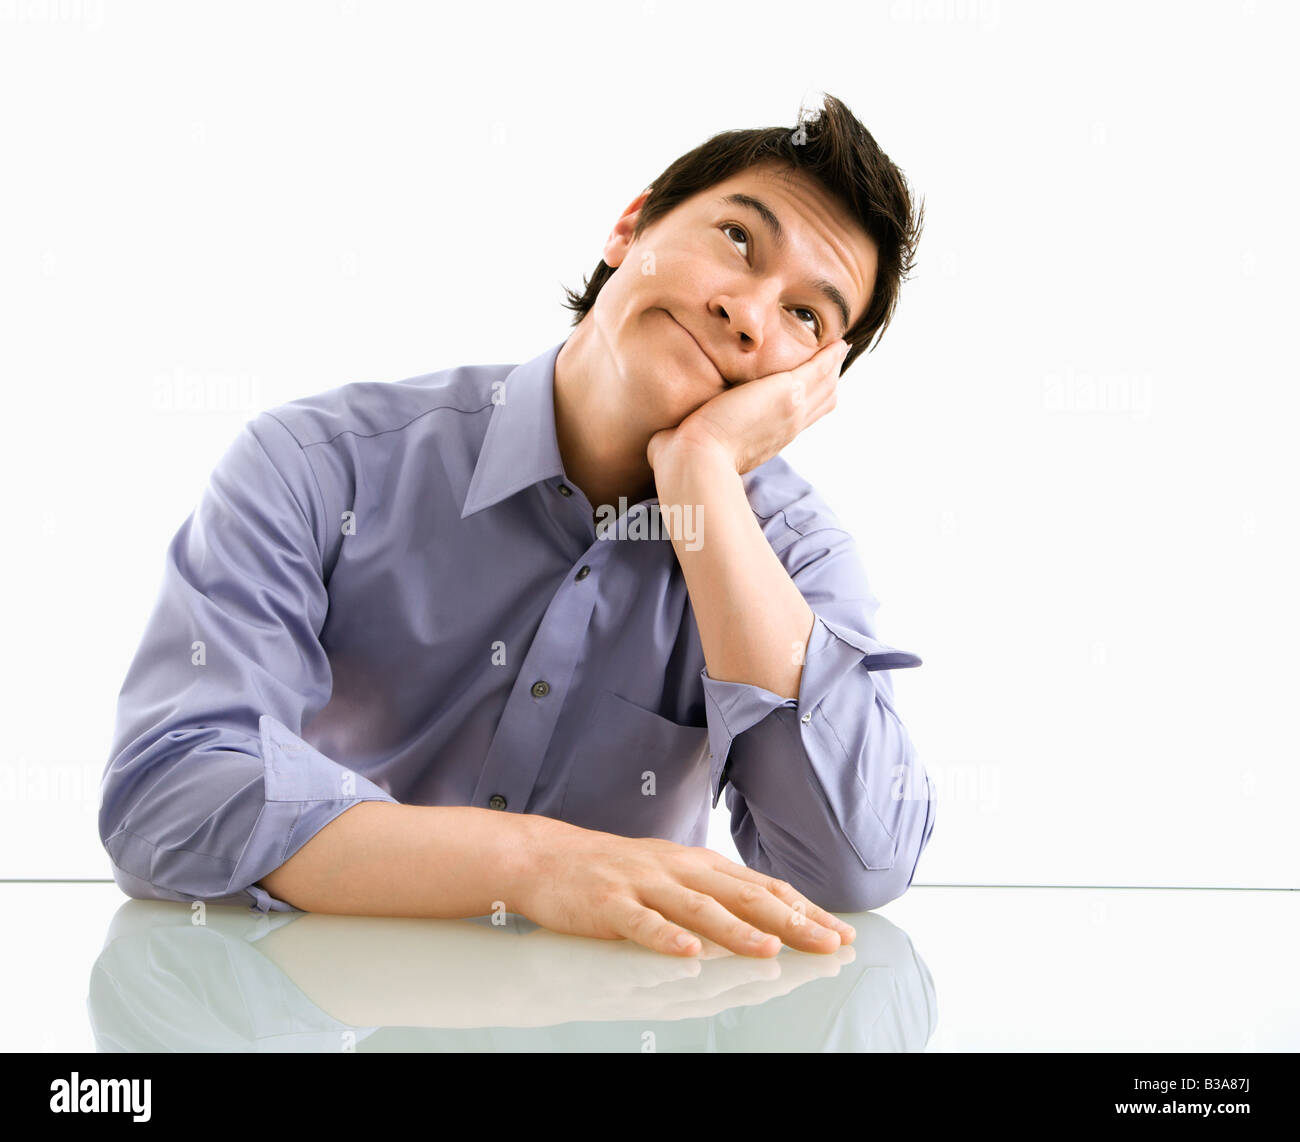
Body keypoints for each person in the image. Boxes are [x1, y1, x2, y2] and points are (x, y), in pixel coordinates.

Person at [99, 93, 935, 958]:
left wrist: (701, 483)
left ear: (815, 387)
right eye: (737, 239)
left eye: (807, 315)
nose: (750, 312)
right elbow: (168, 793)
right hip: (314, 1009)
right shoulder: (316, 465)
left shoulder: (793, 553)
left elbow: (854, 866)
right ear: (631, 229)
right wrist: (534, 865)